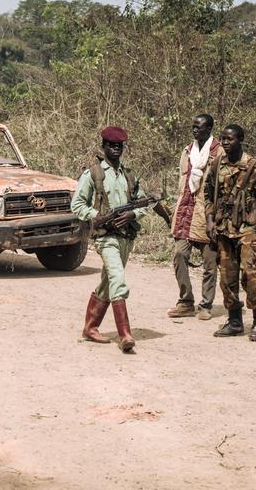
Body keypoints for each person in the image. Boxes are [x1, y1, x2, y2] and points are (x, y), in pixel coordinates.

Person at [70, 126, 155, 354]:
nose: (116, 149)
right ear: (104, 146)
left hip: (126, 237)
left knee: (109, 281)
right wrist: (97, 216)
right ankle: (125, 334)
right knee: (118, 277)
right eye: (111, 145)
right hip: (105, 237)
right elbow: (77, 205)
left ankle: (90, 327)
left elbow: (143, 203)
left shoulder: (129, 175)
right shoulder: (93, 174)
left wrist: (132, 214)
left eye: (119, 146)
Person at [210, 124, 256, 342]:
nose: (226, 143)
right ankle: (235, 321)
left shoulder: (253, 166)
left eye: (230, 139)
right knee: (227, 276)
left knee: (249, 273)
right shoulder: (217, 164)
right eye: (223, 139)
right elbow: (209, 195)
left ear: (241, 140)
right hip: (224, 229)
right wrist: (210, 221)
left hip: (247, 228)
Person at [168, 113, 221, 320]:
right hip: (185, 212)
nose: (195, 130)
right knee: (179, 255)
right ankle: (186, 301)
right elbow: (182, 182)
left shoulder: (218, 152)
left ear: (209, 129)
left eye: (199, 127)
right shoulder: (187, 151)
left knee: (210, 262)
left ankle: (206, 304)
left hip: (207, 215)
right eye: (193, 126)